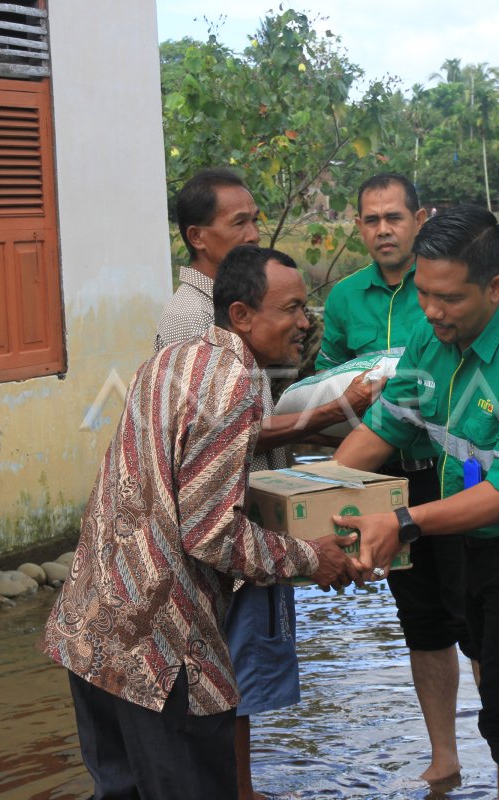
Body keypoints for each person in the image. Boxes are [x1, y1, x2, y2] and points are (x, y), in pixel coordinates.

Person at [42, 246, 358, 799]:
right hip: (162, 651)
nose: (305, 323)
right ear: (241, 316)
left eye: (304, 308)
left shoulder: (170, 362)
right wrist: (315, 557)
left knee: (118, 791)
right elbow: (212, 534)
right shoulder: (234, 383)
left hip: (92, 628)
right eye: (291, 309)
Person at [332, 205, 499, 800]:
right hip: (472, 542)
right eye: (423, 292)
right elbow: (387, 428)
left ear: (495, 287)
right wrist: (313, 491)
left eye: (448, 297)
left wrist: (404, 521)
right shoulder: (431, 339)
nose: (430, 310)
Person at [160, 168, 378, 800]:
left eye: (257, 219)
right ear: (198, 237)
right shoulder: (194, 326)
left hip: (239, 520)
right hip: (219, 529)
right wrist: (335, 412)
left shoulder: (229, 316)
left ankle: (242, 788)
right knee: (221, 672)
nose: (254, 232)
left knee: (237, 675)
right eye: (241, 223)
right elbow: (236, 440)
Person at [317, 173, 473, 784]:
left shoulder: (445, 285)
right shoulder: (345, 299)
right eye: (371, 220)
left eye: (394, 217)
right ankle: (445, 755)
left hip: (454, 474)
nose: (383, 229)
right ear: (359, 227)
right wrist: (357, 399)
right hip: (383, 480)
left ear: (419, 219)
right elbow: (324, 384)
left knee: (478, 617)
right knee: (422, 621)